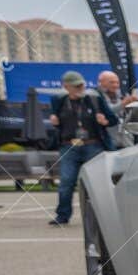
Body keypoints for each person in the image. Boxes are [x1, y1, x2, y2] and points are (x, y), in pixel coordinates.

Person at [47, 71, 119, 226]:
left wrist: (104, 121)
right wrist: (55, 121)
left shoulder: (94, 99)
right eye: (76, 85)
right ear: (66, 87)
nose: (80, 87)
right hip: (69, 146)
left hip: (92, 145)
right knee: (66, 181)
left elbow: (113, 120)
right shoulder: (58, 101)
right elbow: (57, 120)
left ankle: (105, 215)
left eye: (82, 84)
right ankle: (62, 215)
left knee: (98, 182)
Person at [96, 70, 138, 148]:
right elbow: (107, 112)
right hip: (108, 139)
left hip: (125, 137)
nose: (115, 85)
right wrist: (123, 104)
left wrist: (136, 104)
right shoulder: (96, 96)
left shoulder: (122, 94)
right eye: (111, 82)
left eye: (117, 82)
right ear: (101, 82)